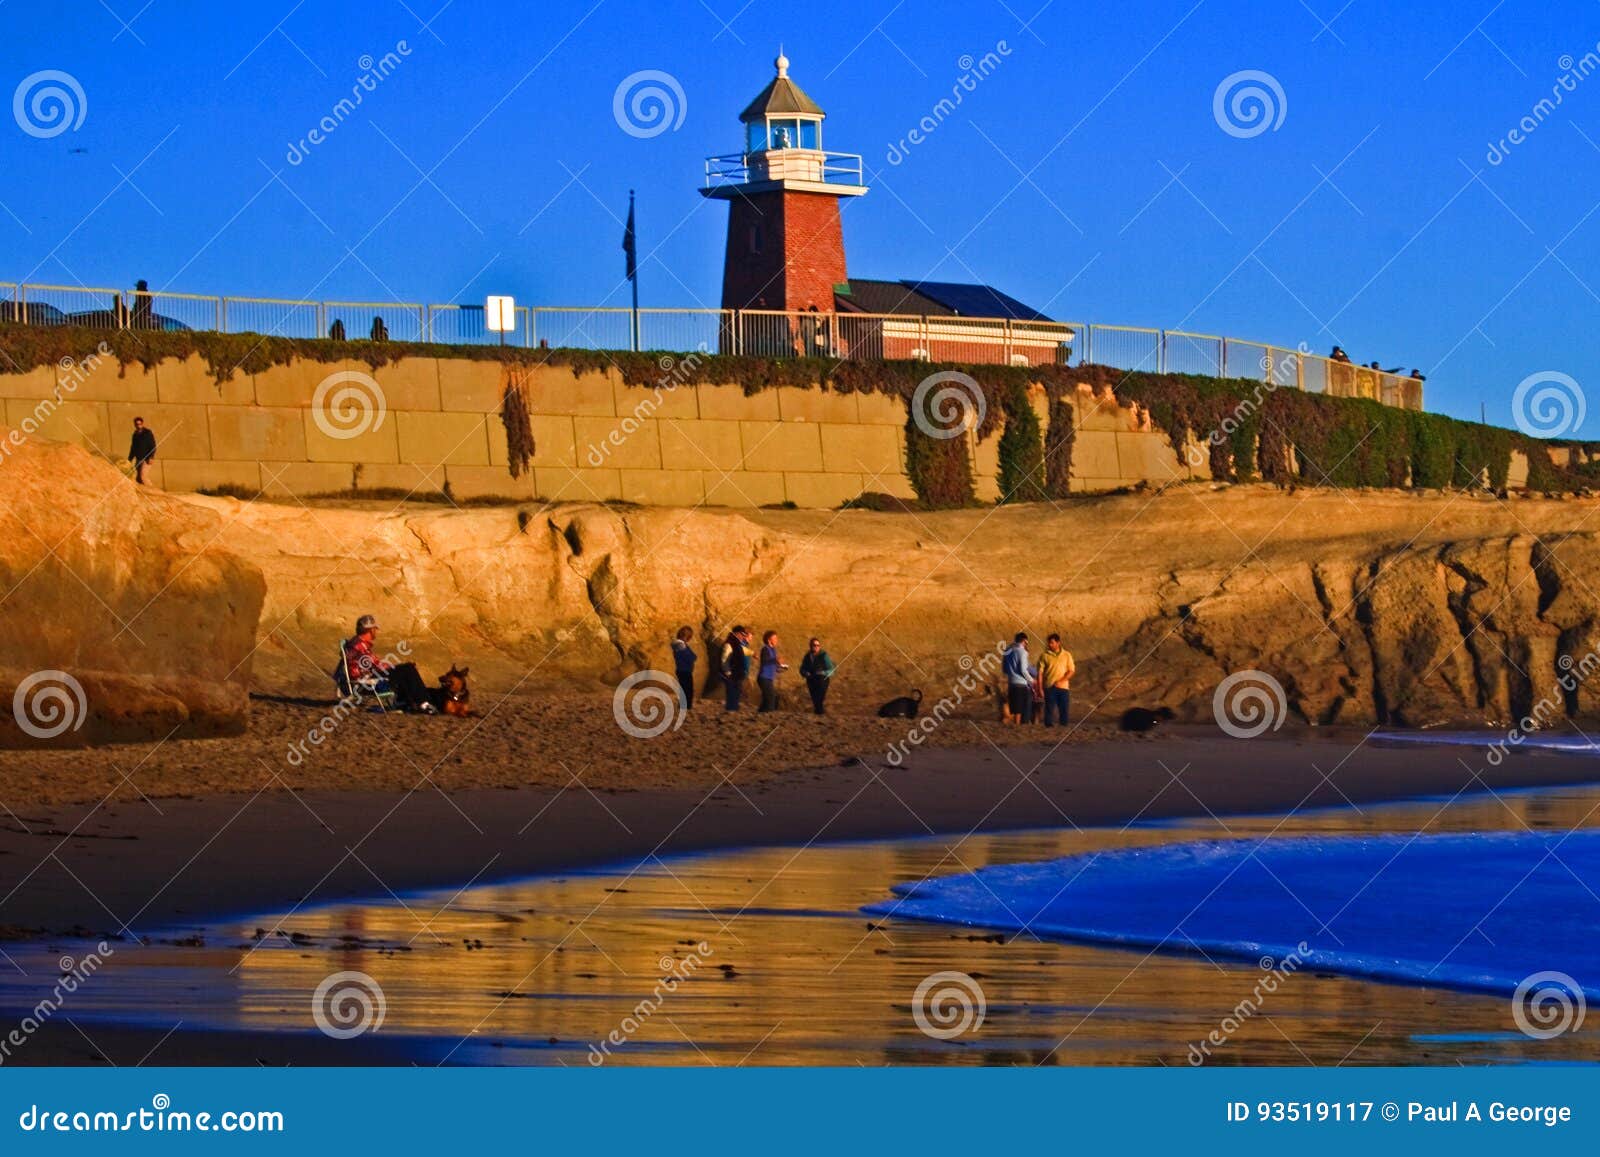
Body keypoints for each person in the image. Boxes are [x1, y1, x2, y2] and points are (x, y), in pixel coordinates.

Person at [342, 614, 436, 713]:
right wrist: (395, 667)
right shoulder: (361, 646)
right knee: (408, 669)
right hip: (364, 683)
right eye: (375, 629)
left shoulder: (355, 642)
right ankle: (424, 703)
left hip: (360, 680)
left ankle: (407, 703)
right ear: (371, 630)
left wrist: (395, 668)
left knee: (403, 670)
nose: (376, 632)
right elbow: (377, 666)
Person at [1038, 632, 1076, 727]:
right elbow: (1040, 673)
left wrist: (1061, 681)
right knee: (1049, 709)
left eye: (1052, 642)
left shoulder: (1067, 655)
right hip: (1049, 686)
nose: (1050, 645)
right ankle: (1048, 727)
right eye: (1049, 643)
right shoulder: (1044, 655)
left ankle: (1063, 726)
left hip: (1063, 687)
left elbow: (1071, 671)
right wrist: (1040, 688)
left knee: (1064, 709)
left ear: (1058, 643)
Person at [799, 637, 836, 715]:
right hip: (811, 680)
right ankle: (819, 713)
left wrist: (823, 672)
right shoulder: (807, 656)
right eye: (814, 645)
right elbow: (802, 668)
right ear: (810, 646)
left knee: (819, 698)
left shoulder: (824, 655)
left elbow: (832, 669)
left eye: (818, 645)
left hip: (822, 679)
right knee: (815, 699)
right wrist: (805, 673)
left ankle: (820, 712)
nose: (816, 647)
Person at [1003, 632, 1033, 723]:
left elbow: (1004, 669)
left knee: (1016, 709)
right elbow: (1023, 670)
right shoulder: (1023, 652)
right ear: (1024, 641)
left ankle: (1016, 725)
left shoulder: (1007, 651)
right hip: (1021, 684)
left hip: (1011, 683)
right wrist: (1032, 680)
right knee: (1022, 709)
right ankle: (1019, 726)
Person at [721, 625, 752, 712]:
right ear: (736, 633)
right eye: (742, 634)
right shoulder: (729, 644)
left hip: (737, 674)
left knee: (736, 694)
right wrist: (728, 673)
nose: (743, 637)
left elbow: (744, 651)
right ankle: (731, 710)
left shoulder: (737, 644)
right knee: (732, 694)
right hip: (731, 675)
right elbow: (724, 660)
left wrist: (752, 653)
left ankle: (733, 709)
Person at [757, 630, 788, 713]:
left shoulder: (773, 650)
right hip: (764, 678)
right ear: (769, 640)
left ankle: (760, 714)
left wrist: (780, 668)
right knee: (771, 698)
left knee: (767, 699)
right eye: (774, 638)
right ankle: (767, 714)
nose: (776, 640)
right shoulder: (765, 649)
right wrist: (776, 660)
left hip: (769, 678)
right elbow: (765, 661)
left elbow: (773, 664)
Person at [671, 626, 697, 710]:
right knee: (687, 689)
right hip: (684, 670)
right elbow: (691, 657)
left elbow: (692, 656)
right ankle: (685, 706)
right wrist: (692, 657)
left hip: (683, 670)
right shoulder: (680, 644)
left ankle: (685, 706)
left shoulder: (680, 644)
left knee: (686, 688)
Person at [127, 417, 157, 485]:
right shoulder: (135, 435)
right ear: (135, 425)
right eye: (137, 424)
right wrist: (129, 459)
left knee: (143, 476)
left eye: (140, 424)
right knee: (138, 478)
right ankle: (143, 491)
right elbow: (133, 448)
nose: (138, 426)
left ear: (142, 424)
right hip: (139, 459)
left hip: (146, 459)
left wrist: (151, 457)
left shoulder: (147, 433)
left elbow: (153, 446)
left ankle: (151, 489)